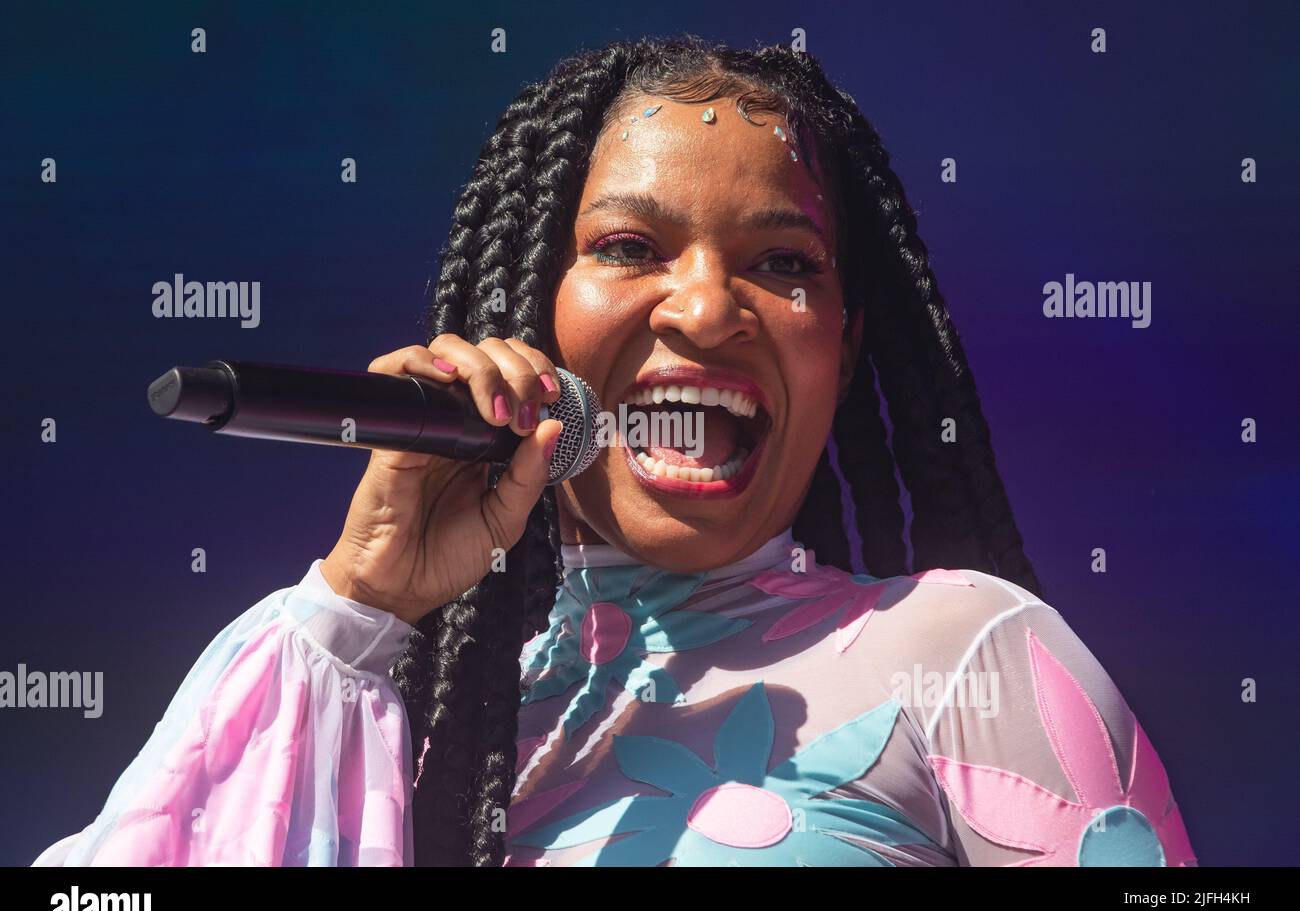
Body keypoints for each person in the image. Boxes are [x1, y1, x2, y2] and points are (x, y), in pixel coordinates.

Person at [33, 36, 1196, 867]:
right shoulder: (393, 705)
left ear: (842, 350)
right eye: (632, 245)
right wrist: (356, 605)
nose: (703, 308)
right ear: (527, 320)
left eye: (784, 263)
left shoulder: (963, 652)